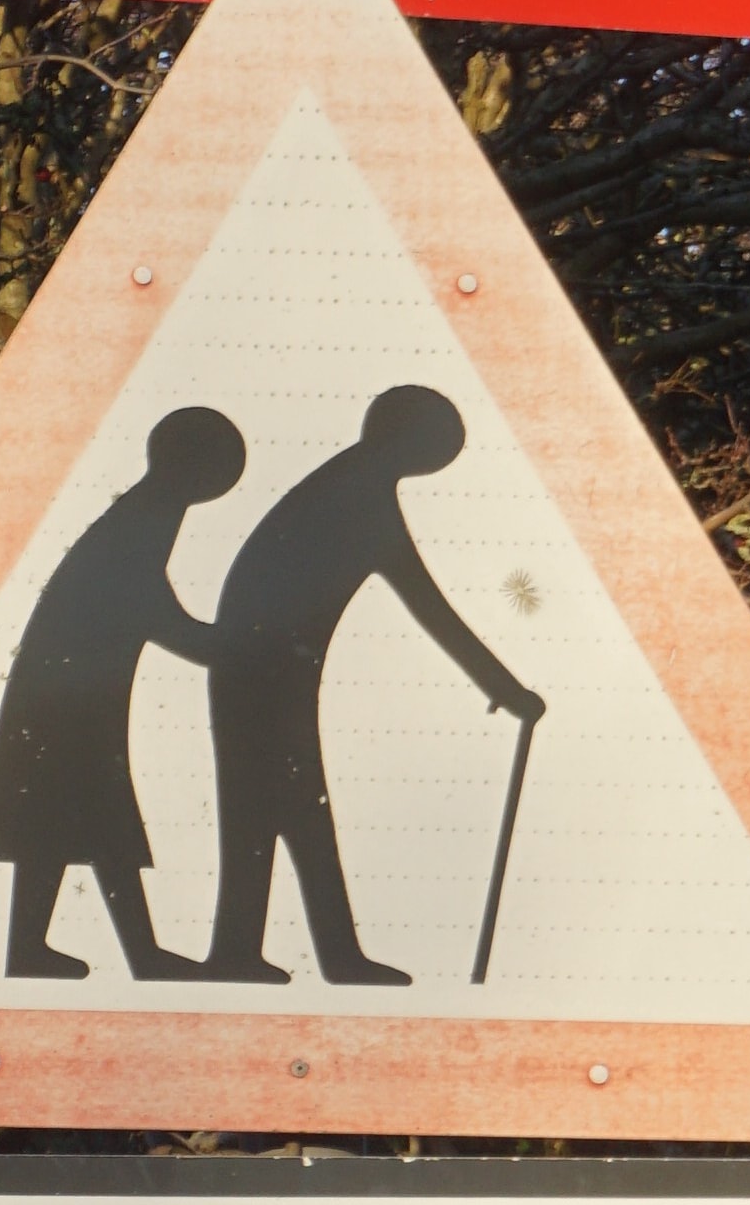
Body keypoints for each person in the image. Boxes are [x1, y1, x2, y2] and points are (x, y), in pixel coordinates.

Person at [202, 386, 543, 985]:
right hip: (263, 674)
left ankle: (284, 952)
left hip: (263, 671)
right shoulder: (360, 499)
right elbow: (429, 606)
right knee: (280, 812)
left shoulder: (348, 485)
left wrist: (504, 687)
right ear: (409, 441)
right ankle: (297, 955)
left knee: (283, 813)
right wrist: (507, 689)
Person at [0, 406, 245, 978]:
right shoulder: (146, 515)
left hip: (75, 691)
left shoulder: (150, 507)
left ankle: (123, 954)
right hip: (67, 696)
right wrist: (229, 646)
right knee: (72, 818)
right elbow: (147, 602)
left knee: (85, 821)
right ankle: (74, 951)